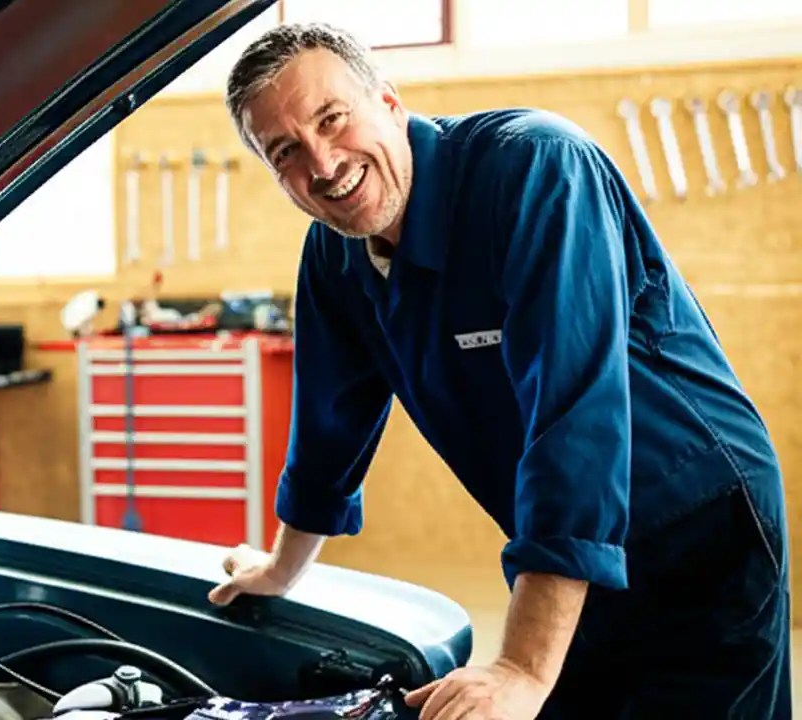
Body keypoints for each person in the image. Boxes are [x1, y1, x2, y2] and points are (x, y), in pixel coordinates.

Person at [206, 22, 791, 720]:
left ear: (389, 102)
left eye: (332, 119)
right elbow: (327, 430)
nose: (324, 163)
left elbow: (575, 416)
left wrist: (523, 665)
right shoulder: (335, 256)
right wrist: (283, 568)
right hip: (565, 545)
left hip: (697, 522)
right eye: (286, 152)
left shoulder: (535, 169)